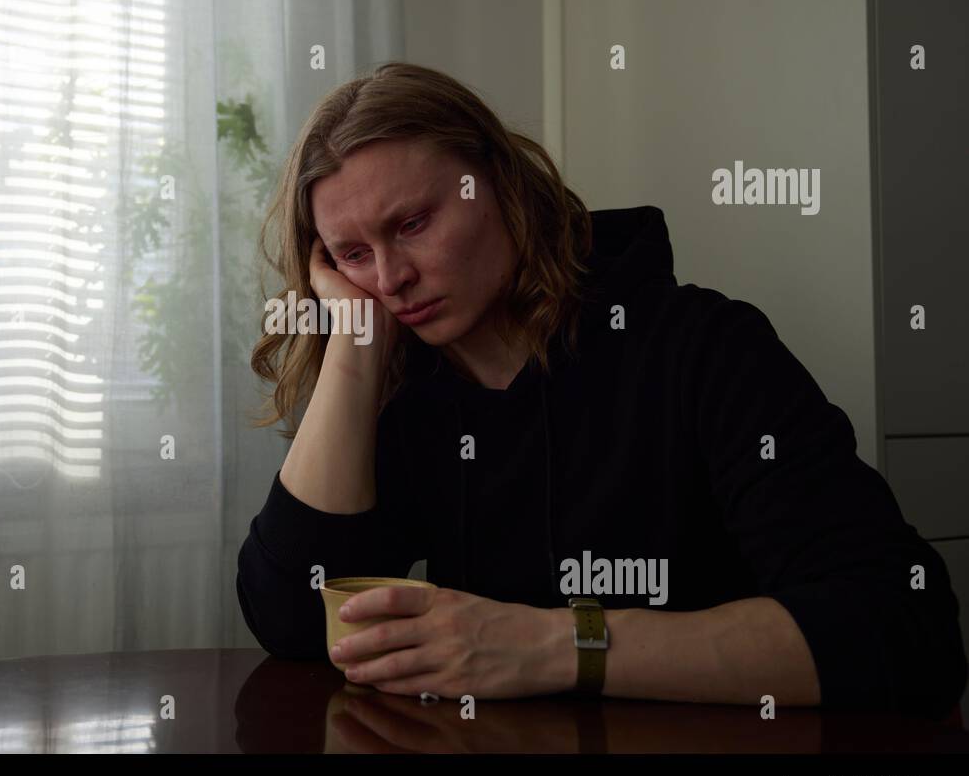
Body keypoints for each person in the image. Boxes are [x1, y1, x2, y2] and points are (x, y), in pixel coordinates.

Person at [236, 61, 967, 718]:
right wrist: (355, 351)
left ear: (499, 180)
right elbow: (297, 625)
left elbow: (905, 628)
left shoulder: (706, 347)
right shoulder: (405, 393)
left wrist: (555, 645)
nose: (391, 278)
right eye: (354, 254)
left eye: (416, 223)